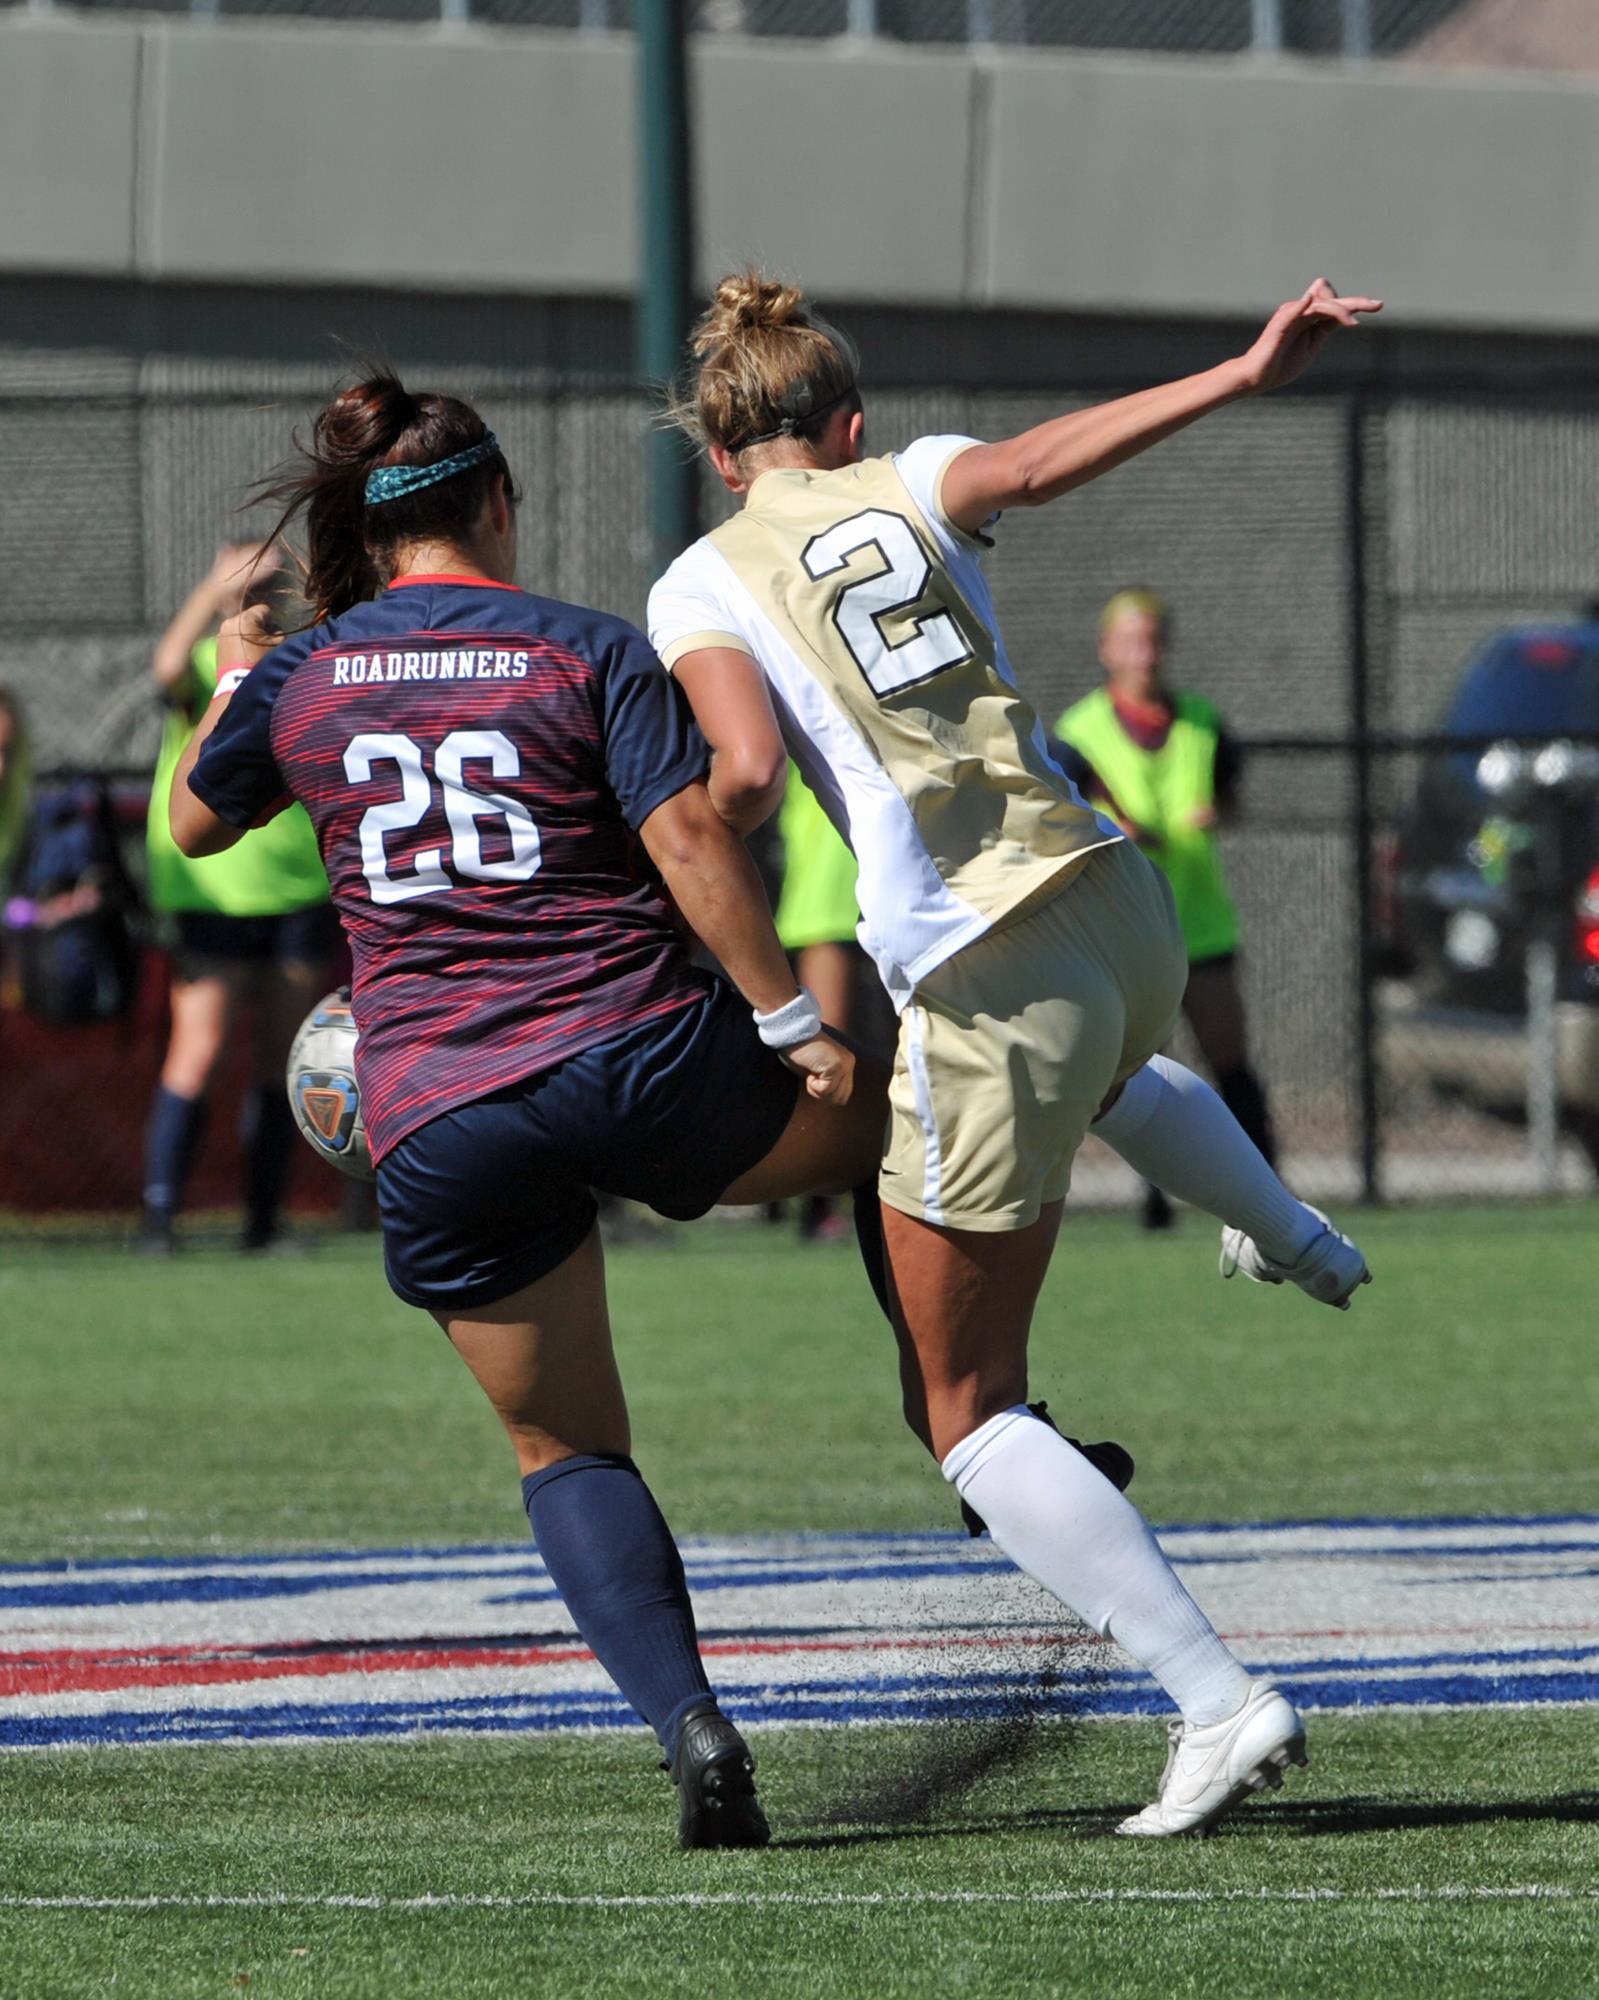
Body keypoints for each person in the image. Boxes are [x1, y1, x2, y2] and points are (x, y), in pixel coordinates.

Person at [649, 272, 1379, 1837]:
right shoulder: (913, 477)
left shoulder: (699, 579)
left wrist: (690, 878)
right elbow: (1050, 458)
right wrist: (1245, 368)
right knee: (1110, 1077)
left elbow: (749, 775)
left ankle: (1216, 1703)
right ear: (846, 425)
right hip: (1111, 898)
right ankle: (1290, 1233)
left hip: (980, 956)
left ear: (721, 457)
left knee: (968, 1408)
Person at [166, 373, 892, 1850]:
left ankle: (689, 1724)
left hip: (437, 1111)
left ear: (368, 540)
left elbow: (190, 822)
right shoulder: (580, 645)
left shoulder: (304, 676)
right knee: (895, 1142)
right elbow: (687, 838)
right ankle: (975, 1423)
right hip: (637, 1058)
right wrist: (789, 1023)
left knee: (567, 1452)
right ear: (498, 504)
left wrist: (248, 673)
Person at [1055, 589, 1278, 1229]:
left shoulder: (1203, 721)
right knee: (1136, 1074)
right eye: (1129, 640)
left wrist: (1218, 815)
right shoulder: (1077, 733)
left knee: (1229, 1062)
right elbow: (1061, 815)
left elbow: (1232, 798)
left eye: (1152, 639)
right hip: (1123, 931)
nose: (1142, 654)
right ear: (1106, 650)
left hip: (1199, 922)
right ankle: (1155, 1204)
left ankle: (1269, 1202)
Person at [143, 544, 340, 1252]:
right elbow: (166, 669)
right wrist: (211, 589)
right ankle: (160, 1220)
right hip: (216, 895)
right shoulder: (210, 668)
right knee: (196, 1052)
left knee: (282, 1060)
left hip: (296, 891)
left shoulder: (306, 669)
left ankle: (264, 1221)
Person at [773, 763, 869, 1240]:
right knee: (828, 1049)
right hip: (831, 886)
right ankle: (813, 1200)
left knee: (883, 1053)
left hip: (888, 881)